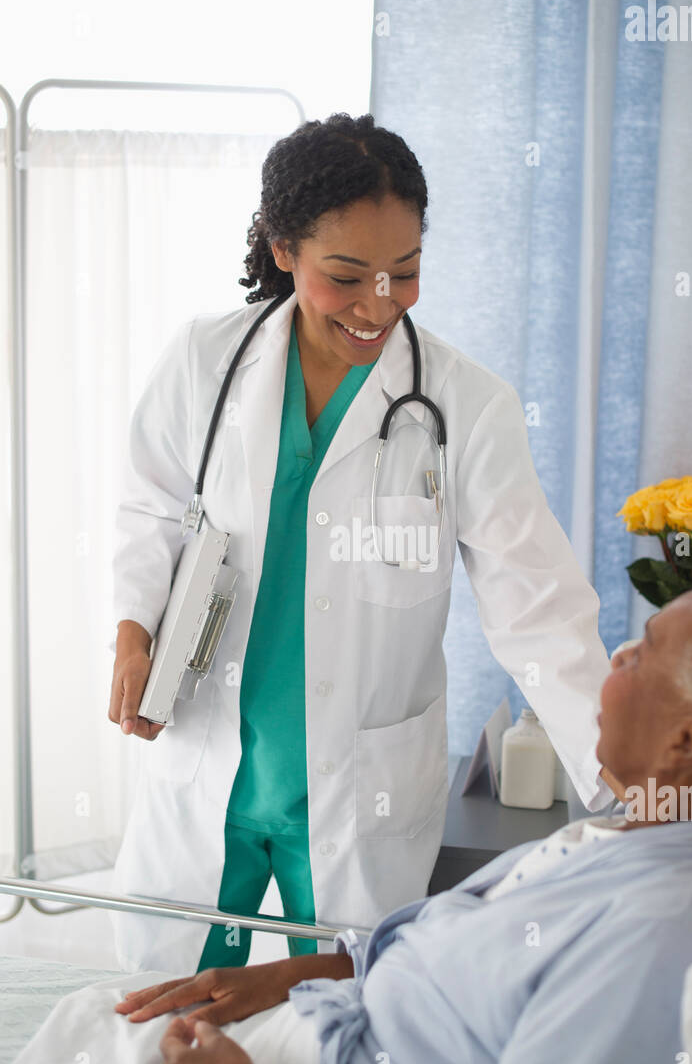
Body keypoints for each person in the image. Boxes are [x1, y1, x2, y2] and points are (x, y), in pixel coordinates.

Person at [108, 112, 619, 976]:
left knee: (348, 1016)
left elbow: (538, 608)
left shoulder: (466, 406)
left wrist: (622, 784)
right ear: (283, 249)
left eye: (405, 272)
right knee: (173, 1011)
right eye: (346, 276)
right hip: (207, 769)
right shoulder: (204, 360)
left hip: (358, 793)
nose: (378, 304)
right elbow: (151, 505)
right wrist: (132, 631)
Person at [115, 569, 692, 1064]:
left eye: (645, 651)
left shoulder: (658, 939)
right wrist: (297, 973)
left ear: (690, 741)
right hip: (315, 1022)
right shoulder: (656, 836)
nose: (617, 656)